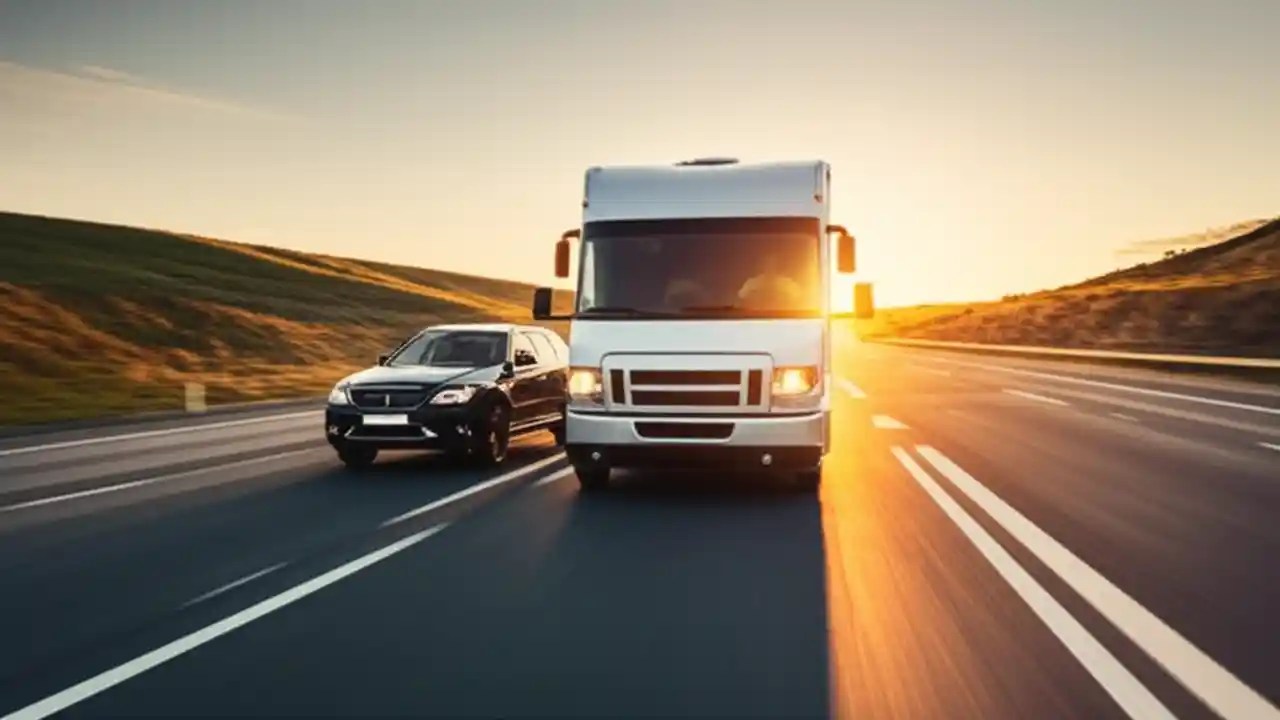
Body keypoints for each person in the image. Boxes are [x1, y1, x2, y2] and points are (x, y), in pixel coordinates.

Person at [737, 253, 805, 309]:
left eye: (772, 264)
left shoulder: (787, 284)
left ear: (777, 265)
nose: (769, 267)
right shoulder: (751, 284)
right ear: (762, 265)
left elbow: (800, 299)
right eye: (767, 264)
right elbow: (741, 298)